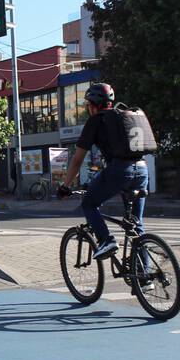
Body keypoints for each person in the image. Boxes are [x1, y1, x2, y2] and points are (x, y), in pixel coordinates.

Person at [59, 83, 148, 259]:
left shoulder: (96, 120)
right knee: (136, 226)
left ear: (93, 104)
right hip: (142, 169)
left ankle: (106, 240)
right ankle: (144, 278)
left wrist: (65, 186)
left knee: (89, 204)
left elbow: (77, 161)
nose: (87, 108)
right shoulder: (124, 117)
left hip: (120, 170)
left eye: (87, 105)